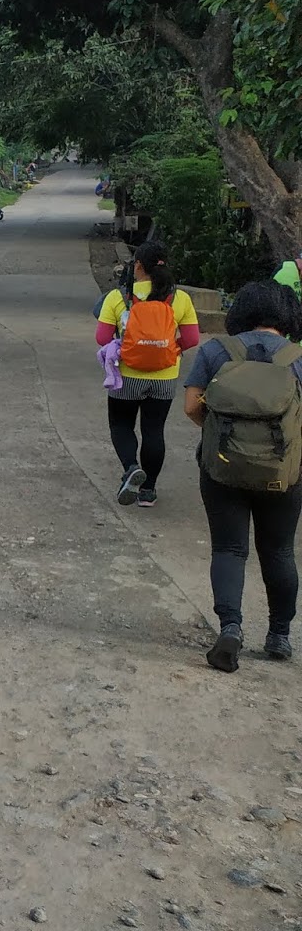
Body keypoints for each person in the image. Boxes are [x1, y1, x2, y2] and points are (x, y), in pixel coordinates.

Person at [183, 280, 302, 670]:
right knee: (280, 550)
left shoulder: (217, 350)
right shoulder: (298, 358)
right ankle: (279, 635)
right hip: (285, 473)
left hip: (222, 467)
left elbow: (190, 407)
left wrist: (217, 433)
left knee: (229, 549)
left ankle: (231, 628)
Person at [94, 242, 200, 507]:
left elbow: (102, 337)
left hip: (126, 376)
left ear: (137, 266)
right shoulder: (180, 298)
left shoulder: (119, 296)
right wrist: (171, 349)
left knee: (121, 425)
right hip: (164, 377)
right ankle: (149, 491)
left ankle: (131, 468)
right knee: (154, 430)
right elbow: (192, 338)